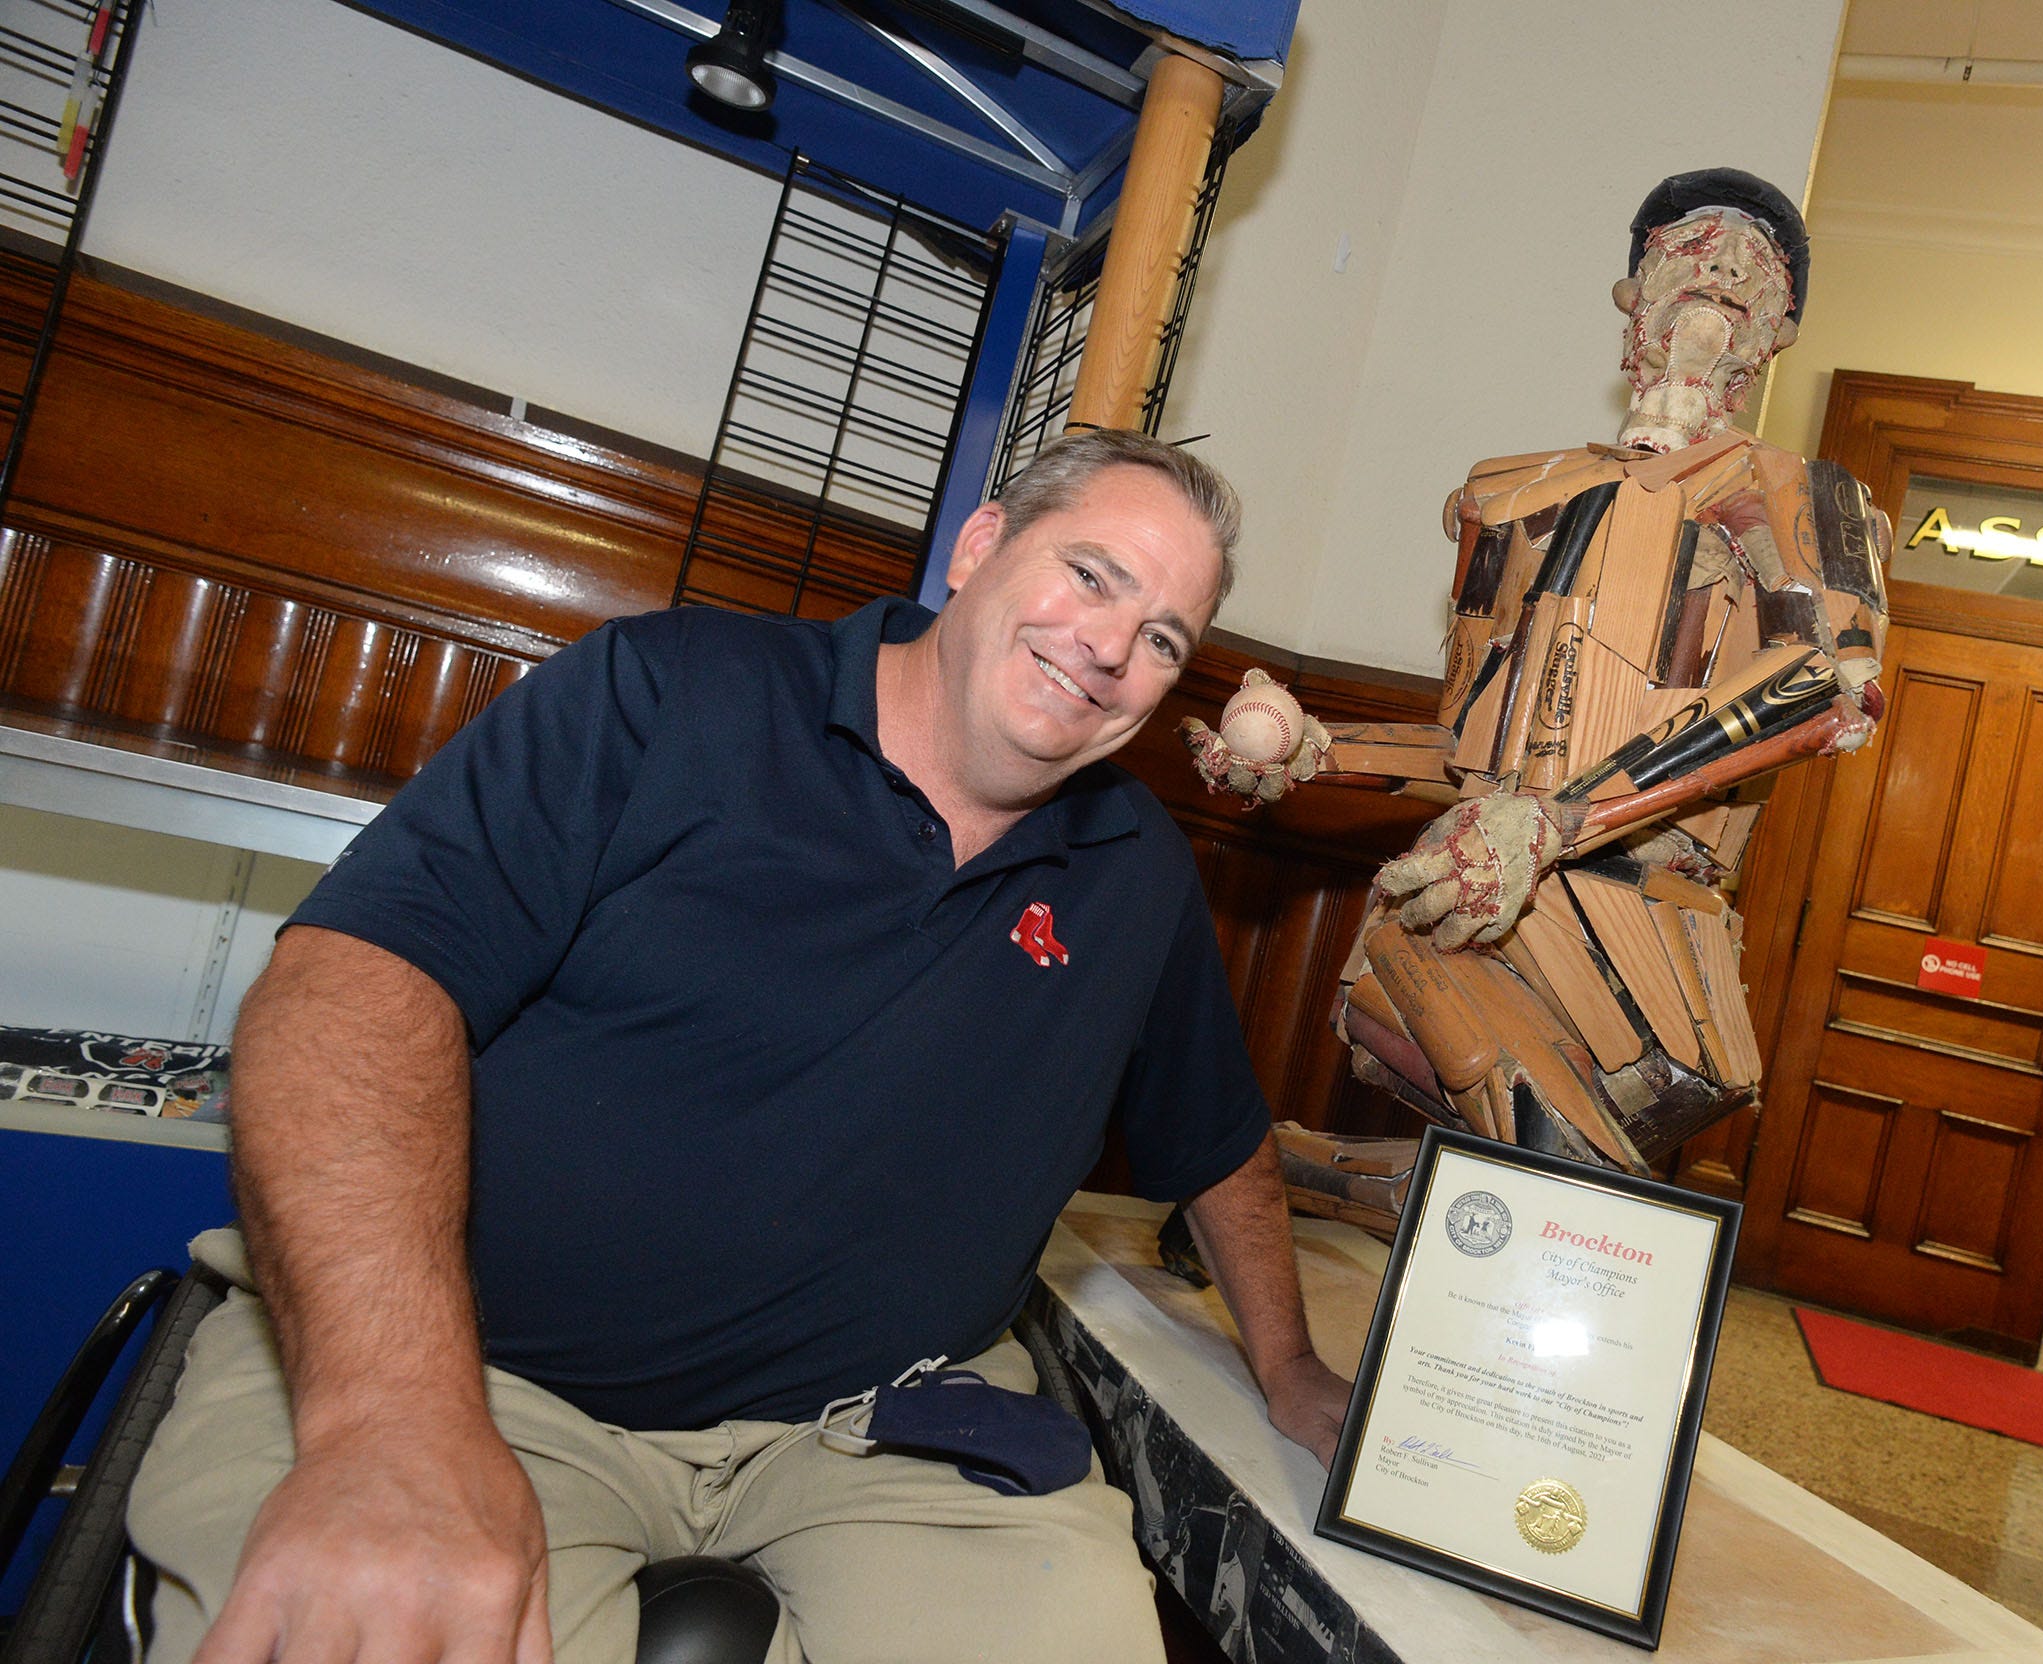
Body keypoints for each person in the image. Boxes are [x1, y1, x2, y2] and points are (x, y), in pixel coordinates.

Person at [126, 429, 1352, 1664]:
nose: (1109, 648)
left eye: (1163, 640)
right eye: (1091, 575)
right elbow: (347, 989)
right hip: (471, 1378)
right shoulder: (667, 692)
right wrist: (392, 1419)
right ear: (978, 546)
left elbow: (1218, 1134)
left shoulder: (1134, 870)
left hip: (885, 1429)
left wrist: (1292, 1363)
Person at [1187, 169, 1891, 1181]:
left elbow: (1827, 685)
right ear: (1632, 297)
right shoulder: (1512, 494)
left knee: (1520, 1134)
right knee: (1405, 976)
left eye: (1759, 263)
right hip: (1476, 891)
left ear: (1777, 332)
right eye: (1688, 246)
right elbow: (1471, 747)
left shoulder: (1800, 493)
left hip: (1638, 933)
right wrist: (1318, 751)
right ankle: (1358, 1184)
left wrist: (1553, 822)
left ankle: (1362, 1184)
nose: (1724, 265)